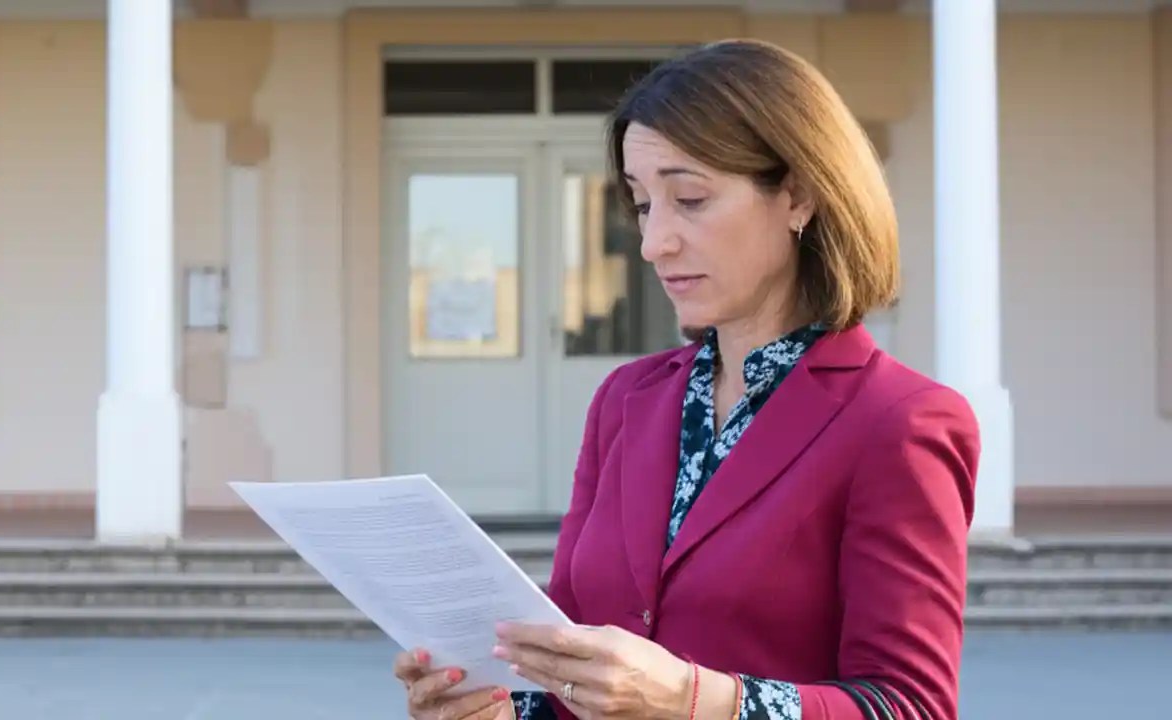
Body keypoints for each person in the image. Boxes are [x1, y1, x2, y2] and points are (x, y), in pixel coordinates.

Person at [394, 38, 979, 720]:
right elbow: (573, 670)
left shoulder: (901, 421)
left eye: (690, 198)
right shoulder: (625, 401)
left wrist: (696, 699)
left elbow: (909, 706)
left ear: (800, 195)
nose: (654, 243)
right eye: (643, 206)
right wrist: (499, 710)